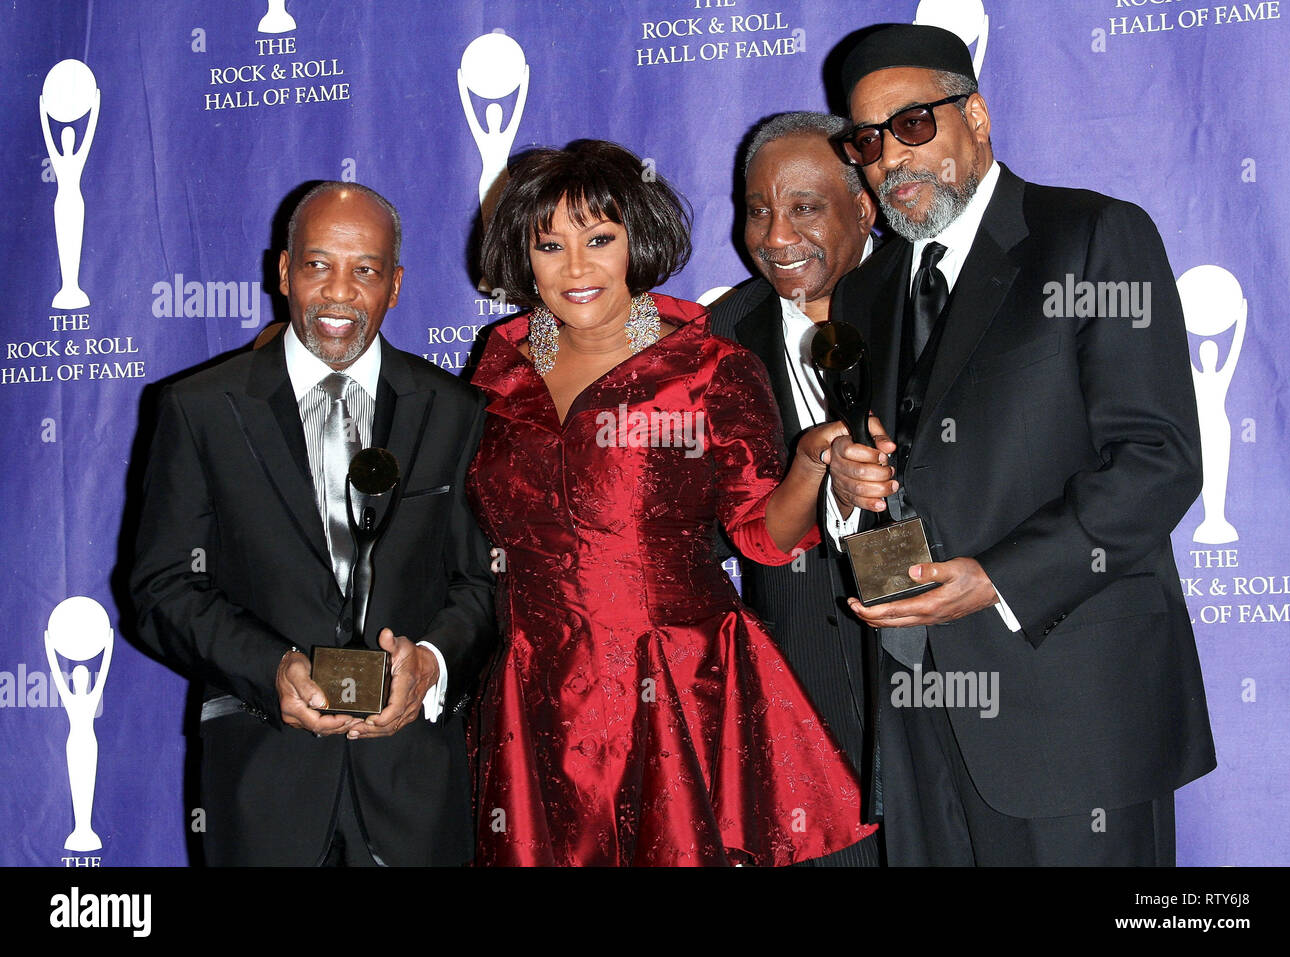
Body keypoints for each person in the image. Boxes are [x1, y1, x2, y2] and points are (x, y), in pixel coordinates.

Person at [826, 23, 1215, 865]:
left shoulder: (1091, 236)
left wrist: (997, 578)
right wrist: (846, 486)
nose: (892, 157)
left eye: (914, 124)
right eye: (867, 141)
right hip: (918, 710)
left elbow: (1159, 459)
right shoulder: (863, 292)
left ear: (977, 116)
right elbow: (891, 477)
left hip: (1072, 711)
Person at [467, 139, 886, 866]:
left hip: (672, 688)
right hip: (532, 695)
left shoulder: (705, 367)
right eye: (549, 245)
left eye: (600, 239)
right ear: (521, 255)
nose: (576, 268)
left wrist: (809, 465)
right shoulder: (498, 368)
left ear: (640, 240)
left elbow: (761, 536)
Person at [130, 182, 497, 866]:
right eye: (317, 264)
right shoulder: (200, 409)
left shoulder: (455, 412)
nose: (338, 292)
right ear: (282, 271)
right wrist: (270, 668)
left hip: (414, 789)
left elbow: (483, 584)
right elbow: (161, 590)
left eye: (366, 270)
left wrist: (431, 665)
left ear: (395, 284)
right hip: (262, 785)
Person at [709, 111, 880, 867]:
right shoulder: (715, 341)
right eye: (757, 210)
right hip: (798, 694)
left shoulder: (938, 303)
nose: (775, 236)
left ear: (864, 208)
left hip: (956, 680)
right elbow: (708, 525)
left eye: (805, 207)